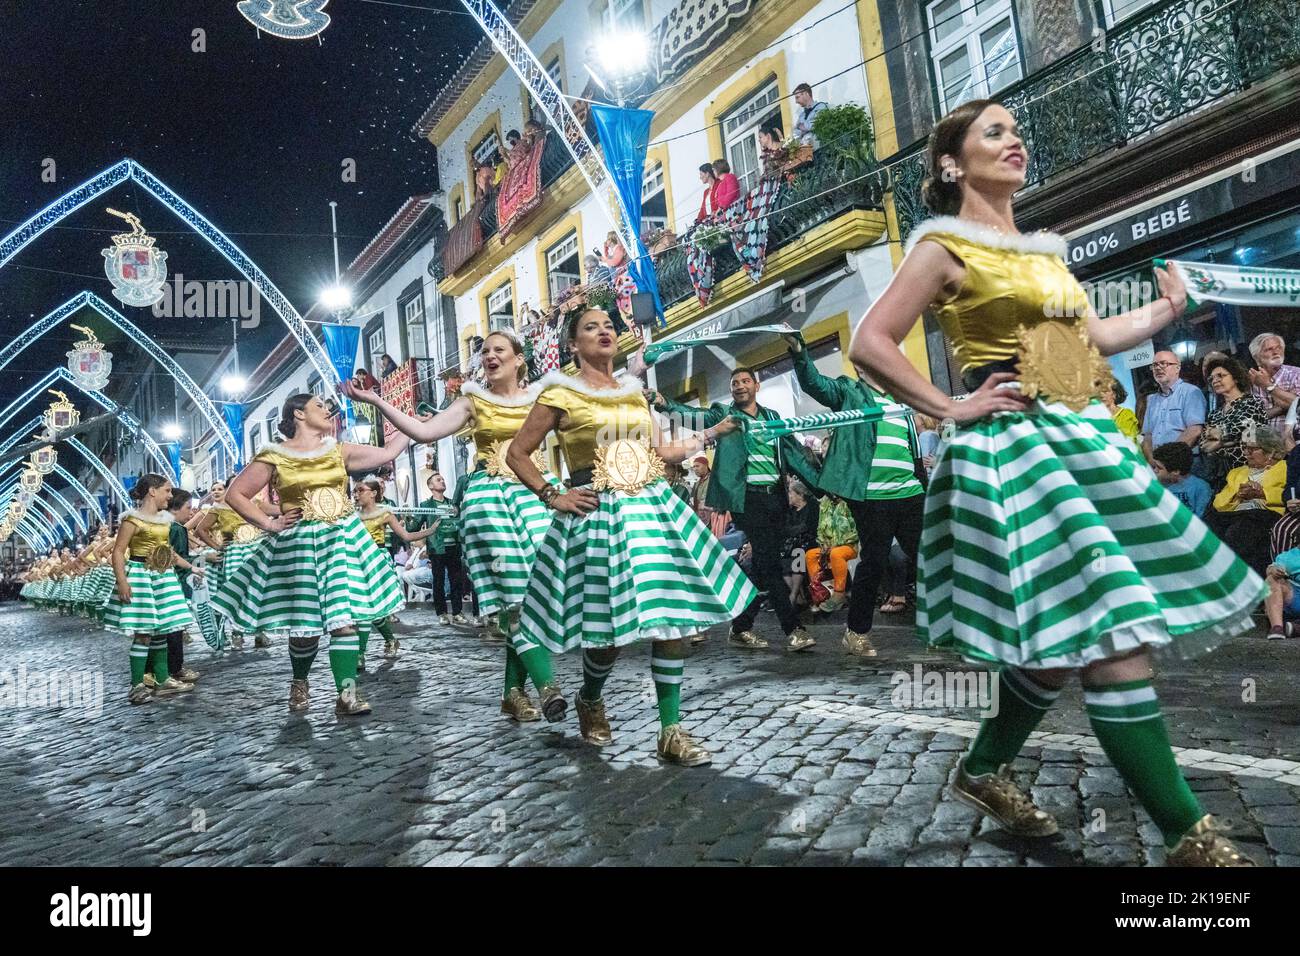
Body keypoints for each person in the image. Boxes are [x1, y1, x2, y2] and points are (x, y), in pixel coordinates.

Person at [848, 98, 1260, 866]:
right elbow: (870, 342)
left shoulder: (1042, 251)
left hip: (1082, 434)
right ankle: (1190, 838)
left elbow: (1095, 337)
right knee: (1110, 627)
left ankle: (980, 770)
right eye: (994, 132)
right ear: (951, 161)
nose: (1016, 142)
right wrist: (947, 406)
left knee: (1055, 646)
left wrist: (1166, 310)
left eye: (1016, 131)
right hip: (1013, 446)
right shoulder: (941, 244)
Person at [504, 308, 755, 765]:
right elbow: (517, 453)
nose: (605, 331)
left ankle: (670, 729)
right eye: (591, 327)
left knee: (673, 613)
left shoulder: (636, 391)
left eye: (609, 326)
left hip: (652, 508)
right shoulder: (559, 391)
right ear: (573, 345)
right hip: (596, 514)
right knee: (608, 629)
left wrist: (714, 432)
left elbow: (662, 451)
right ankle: (591, 697)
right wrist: (551, 495)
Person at [346, 329, 561, 723]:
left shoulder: (545, 397)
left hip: (538, 495)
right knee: (515, 593)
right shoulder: (472, 400)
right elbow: (424, 431)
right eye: (484, 351)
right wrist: (377, 400)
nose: (489, 356)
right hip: (493, 501)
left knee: (536, 595)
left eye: (499, 350)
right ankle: (548, 688)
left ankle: (513, 692)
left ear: (519, 359)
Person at [212, 393, 414, 717]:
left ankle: (346, 693)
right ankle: (299, 680)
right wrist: (269, 522)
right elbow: (237, 494)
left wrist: (406, 418)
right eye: (319, 405)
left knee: (344, 621)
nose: (327, 409)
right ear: (299, 414)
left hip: (341, 540)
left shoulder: (339, 450)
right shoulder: (274, 455)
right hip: (298, 545)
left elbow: (390, 451)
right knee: (305, 629)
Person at [650, 365, 823, 652]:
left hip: (776, 498)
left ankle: (741, 626)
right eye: (734, 383)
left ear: (757, 386)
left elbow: (792, 452)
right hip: (747, 499)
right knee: (768, 561)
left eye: (745, 381)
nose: (740, 385)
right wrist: (663, 403)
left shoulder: (773, 418)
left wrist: (820, 485)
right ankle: (794, 630)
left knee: (761, 565)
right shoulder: (723, 414)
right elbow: (693, 417)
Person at [785, 331, 926, 653]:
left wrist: (922, 483)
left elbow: (913, 449)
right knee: (873, 562)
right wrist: (799, 351)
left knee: (929, 560)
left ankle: (945, 630)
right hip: (873, 496)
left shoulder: (900, 402)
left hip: (910, 491)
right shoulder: (850, 392)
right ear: (862, 368)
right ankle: (855, 632)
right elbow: (815, 385)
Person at [103, 474, 200, 706]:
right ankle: (136, 685)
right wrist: (123, 582)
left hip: (163, 576)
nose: (170, 495)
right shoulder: (131, 520)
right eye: (167, 491)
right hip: (141, 575)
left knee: (163, 629)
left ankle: (162, 679)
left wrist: (191, 568)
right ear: (152, 491)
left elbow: (169, 552)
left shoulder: (164, 520)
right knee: (144, 632)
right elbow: (118, 552)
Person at [352, 478, 436, 663]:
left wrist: (429, 531)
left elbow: (406, 535)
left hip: (377, 560)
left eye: (361, 490)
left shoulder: (385, 514)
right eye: (355, 491)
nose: (356, 494)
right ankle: (390, 640)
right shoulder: (352, 515)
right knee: (368, 608)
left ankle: (360, 654)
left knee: (367, 607)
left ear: (373, 493)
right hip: (357, 560)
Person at [1204, 428, 1286, 576]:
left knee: (1240, 529)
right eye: (1244, 448)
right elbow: (1219, 503)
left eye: (1252, 449)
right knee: (1209, 522)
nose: (1246, 453)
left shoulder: (1285, 469)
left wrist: (1263, 493)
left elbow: (1289, 495)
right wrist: (1238, 494)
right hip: (1235, 513)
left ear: (1271, 451)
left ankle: (1235, 575)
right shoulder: (1236, 473)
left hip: (1267, 514)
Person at [405, 472, 468, 626]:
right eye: (438, 480)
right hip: (437, 548)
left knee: (456, 581)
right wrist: (408, 516)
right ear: (431, 486)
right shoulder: (426, 506)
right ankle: (442, 613)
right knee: (438, 582)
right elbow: (414, 527)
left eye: (443, 479)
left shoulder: (452, 504)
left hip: (454, 547)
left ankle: (458, 612)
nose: (442, 481)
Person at [1200, 356, 1269, 481]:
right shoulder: (1214, 413)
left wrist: (1218, 441)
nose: (1215, 380)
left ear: (1235, 378)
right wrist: (1226, 440)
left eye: (1220, 376)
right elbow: (1204, 444)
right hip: (1221, 475)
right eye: (1211, 378)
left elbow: (1243, 432)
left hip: (1249, 471)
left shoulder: (1252, 402)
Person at [164, 489, 203, 684]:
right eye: (188, 507)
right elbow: (178, 557)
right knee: (175, 627)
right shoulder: (176, 528)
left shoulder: (164, 525)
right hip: (175, 581)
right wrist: (204, 559)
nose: (190, 512)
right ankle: (175, 669)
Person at [1141, 350, 1205, 463]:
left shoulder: (1191, 392)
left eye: (1164, 363)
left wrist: (1167, 460)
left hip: (1183, 463)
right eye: (1154, 365)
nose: (1158, 368)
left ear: (1177, 368)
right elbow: (1147, 436)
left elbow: (1194, 430)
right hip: (1158, 466)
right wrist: (1152, 462)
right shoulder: (1151, 400)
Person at [806, 495, 858, 614]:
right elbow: (820, 529)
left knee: (836, 553)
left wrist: (836, 545)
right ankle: (821, 593)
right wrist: (823, 543)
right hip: (829, 546)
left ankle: (839, 594)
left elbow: (856, 532)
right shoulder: (824, 502)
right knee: (811, 555)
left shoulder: (851, 502)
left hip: (849, 545)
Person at [1246, 332, 1300, 433]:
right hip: (1265, 442)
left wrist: (1267, 385)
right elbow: (1251, 418)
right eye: (1268, 349)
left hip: (1295, 437)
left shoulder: (1296, 373)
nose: (1276, 352)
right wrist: (1284, 404)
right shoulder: (1251, 381)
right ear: (1257, 357)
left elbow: (1298, 405)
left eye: (1278, 348)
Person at [782, 480, 820, 610]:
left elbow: (809, 527)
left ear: (800, 494)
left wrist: (795, 530)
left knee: (798, 554)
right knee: (781, 557)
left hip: (809, 542)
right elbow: (785, 528)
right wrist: (795, 530)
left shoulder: (812, 506)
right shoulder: (790, 510)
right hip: (791, 542)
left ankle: (793, 596)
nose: (789, 496)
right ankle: (799, 597)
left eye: (791, 493)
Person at [1151, 441, 1212, 517]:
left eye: (1159, 468)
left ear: (1176, 471)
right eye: (1154, 466)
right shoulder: (1154, 483)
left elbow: (1202, 519)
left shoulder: (1200, 488)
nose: (1154, 470)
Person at [1262, 549, 1300, 639]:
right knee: (1271, 580)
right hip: (1294, 598)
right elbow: (1270, 569)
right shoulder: (1288, 556)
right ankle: (1277, 627)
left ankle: (1295, 628)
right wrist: (1273, 570)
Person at [1103, 379, 1140, 446]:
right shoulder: (1094, 416)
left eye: (1105, 391)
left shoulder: (1126, 414)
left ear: (1114, 394)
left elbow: (1128, 441)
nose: (1101, 395)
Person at [793, 82, 828, 149]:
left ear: (806, 94)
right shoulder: (801, 116)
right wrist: (803, 128)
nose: (796, 101)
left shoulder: (821, 106)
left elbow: (817, 124)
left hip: (820, 148)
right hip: (806, 153)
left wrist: (802, 127)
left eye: (797, 97)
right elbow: (795, 134)